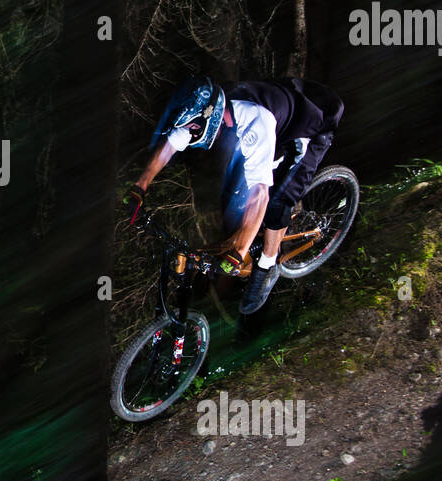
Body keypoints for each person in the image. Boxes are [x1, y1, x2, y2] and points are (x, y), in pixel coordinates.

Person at [123, 75, 344, 314]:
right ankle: (254, 238)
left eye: (193, 128)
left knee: (278, 199)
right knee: (235, 189)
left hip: (315, 120)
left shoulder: (254, 123)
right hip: (285, 110)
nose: (190, 132)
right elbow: (170, 146)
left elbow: (260, 194)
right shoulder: (206, 105)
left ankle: (267, 266)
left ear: (210, 118)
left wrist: (238, 253)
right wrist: (140, 187)